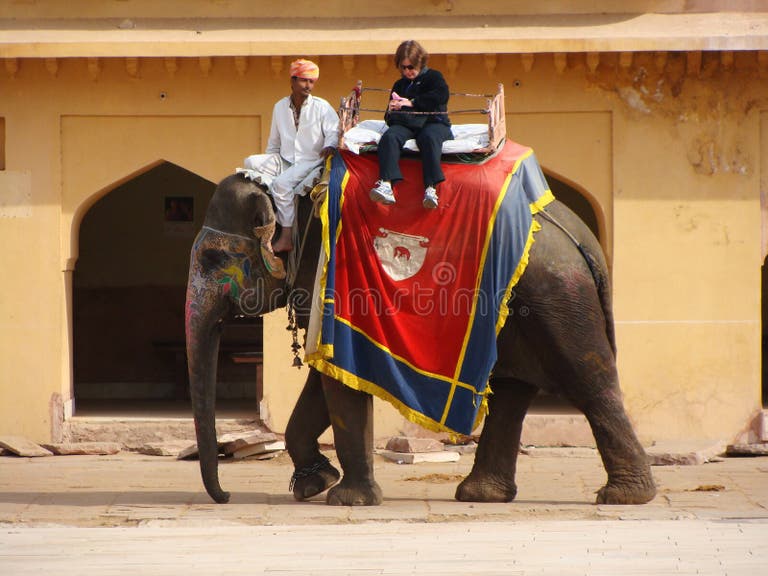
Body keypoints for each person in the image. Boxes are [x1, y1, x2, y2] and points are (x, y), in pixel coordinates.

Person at [240, 59, 339, 252]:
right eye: (304, 80)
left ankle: (286, 236)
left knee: (281, 184)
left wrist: (329, 145)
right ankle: (277, 197)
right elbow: (274, 142)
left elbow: (333, 131)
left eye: (311, 81)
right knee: (250, 161)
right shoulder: (279, 106)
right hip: (285, 159)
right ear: (292, 81)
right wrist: (270, 163)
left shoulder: (322, 106)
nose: (308, 85)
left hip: (310, 161)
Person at [370, 40, 452, 209]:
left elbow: (441, 95)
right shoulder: (399, 85)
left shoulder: (434, 77)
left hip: (433, 122)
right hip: (407, 124)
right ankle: (386, 184)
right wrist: (392, 109)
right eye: (404, 67)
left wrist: (412, 102)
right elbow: (388, 118)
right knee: (390, 136)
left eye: (411, 67)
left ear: (420, 63)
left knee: (428, 138)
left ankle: (430, 188)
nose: (407, 71)